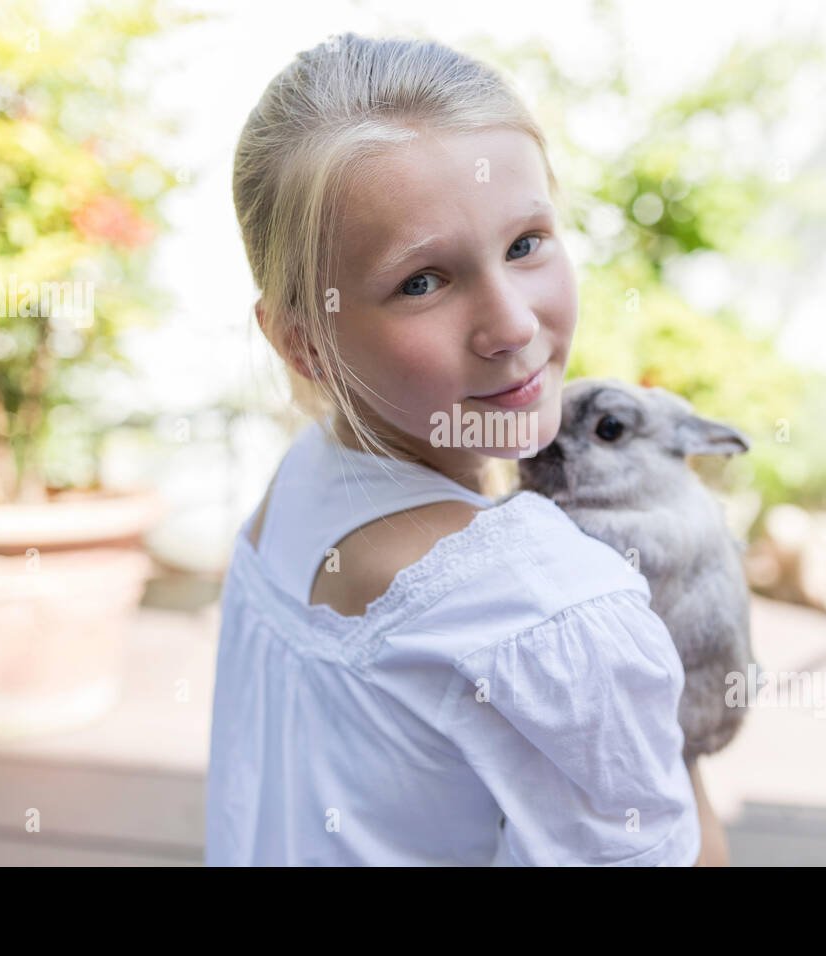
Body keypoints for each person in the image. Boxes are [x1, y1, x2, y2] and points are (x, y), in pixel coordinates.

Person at [206, 31, 729, 866]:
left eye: (525, 244)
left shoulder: (304, 478)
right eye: (423, 281)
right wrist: (678, 728)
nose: (513, 325)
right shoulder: (547, 603)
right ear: (303, 343)